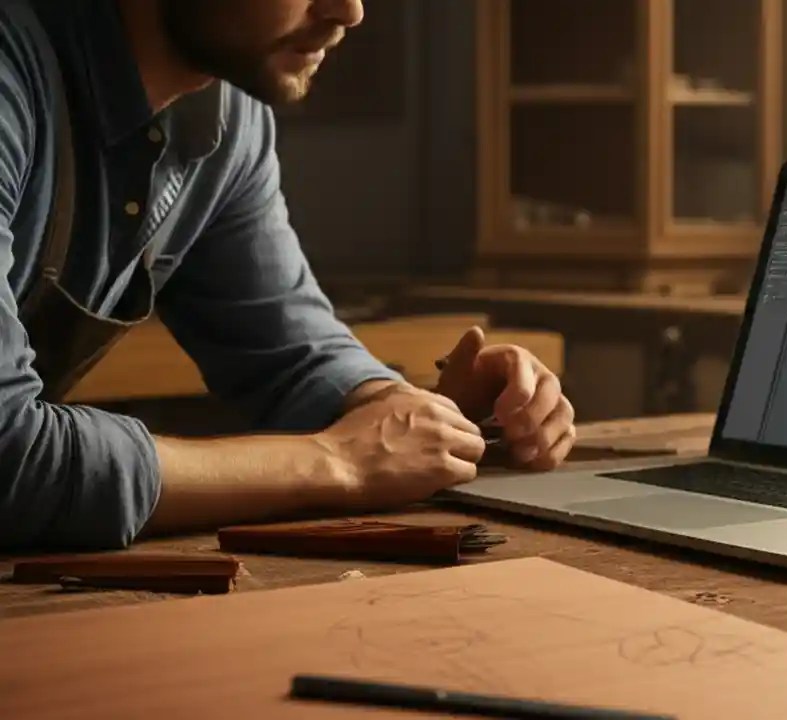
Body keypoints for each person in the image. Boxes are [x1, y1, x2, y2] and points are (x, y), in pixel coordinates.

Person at [0, 0, 576, 551]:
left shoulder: (229, 118)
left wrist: (423, 415)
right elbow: (8, 454)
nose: (348, 11)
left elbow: (293, 355)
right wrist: (337, 462)